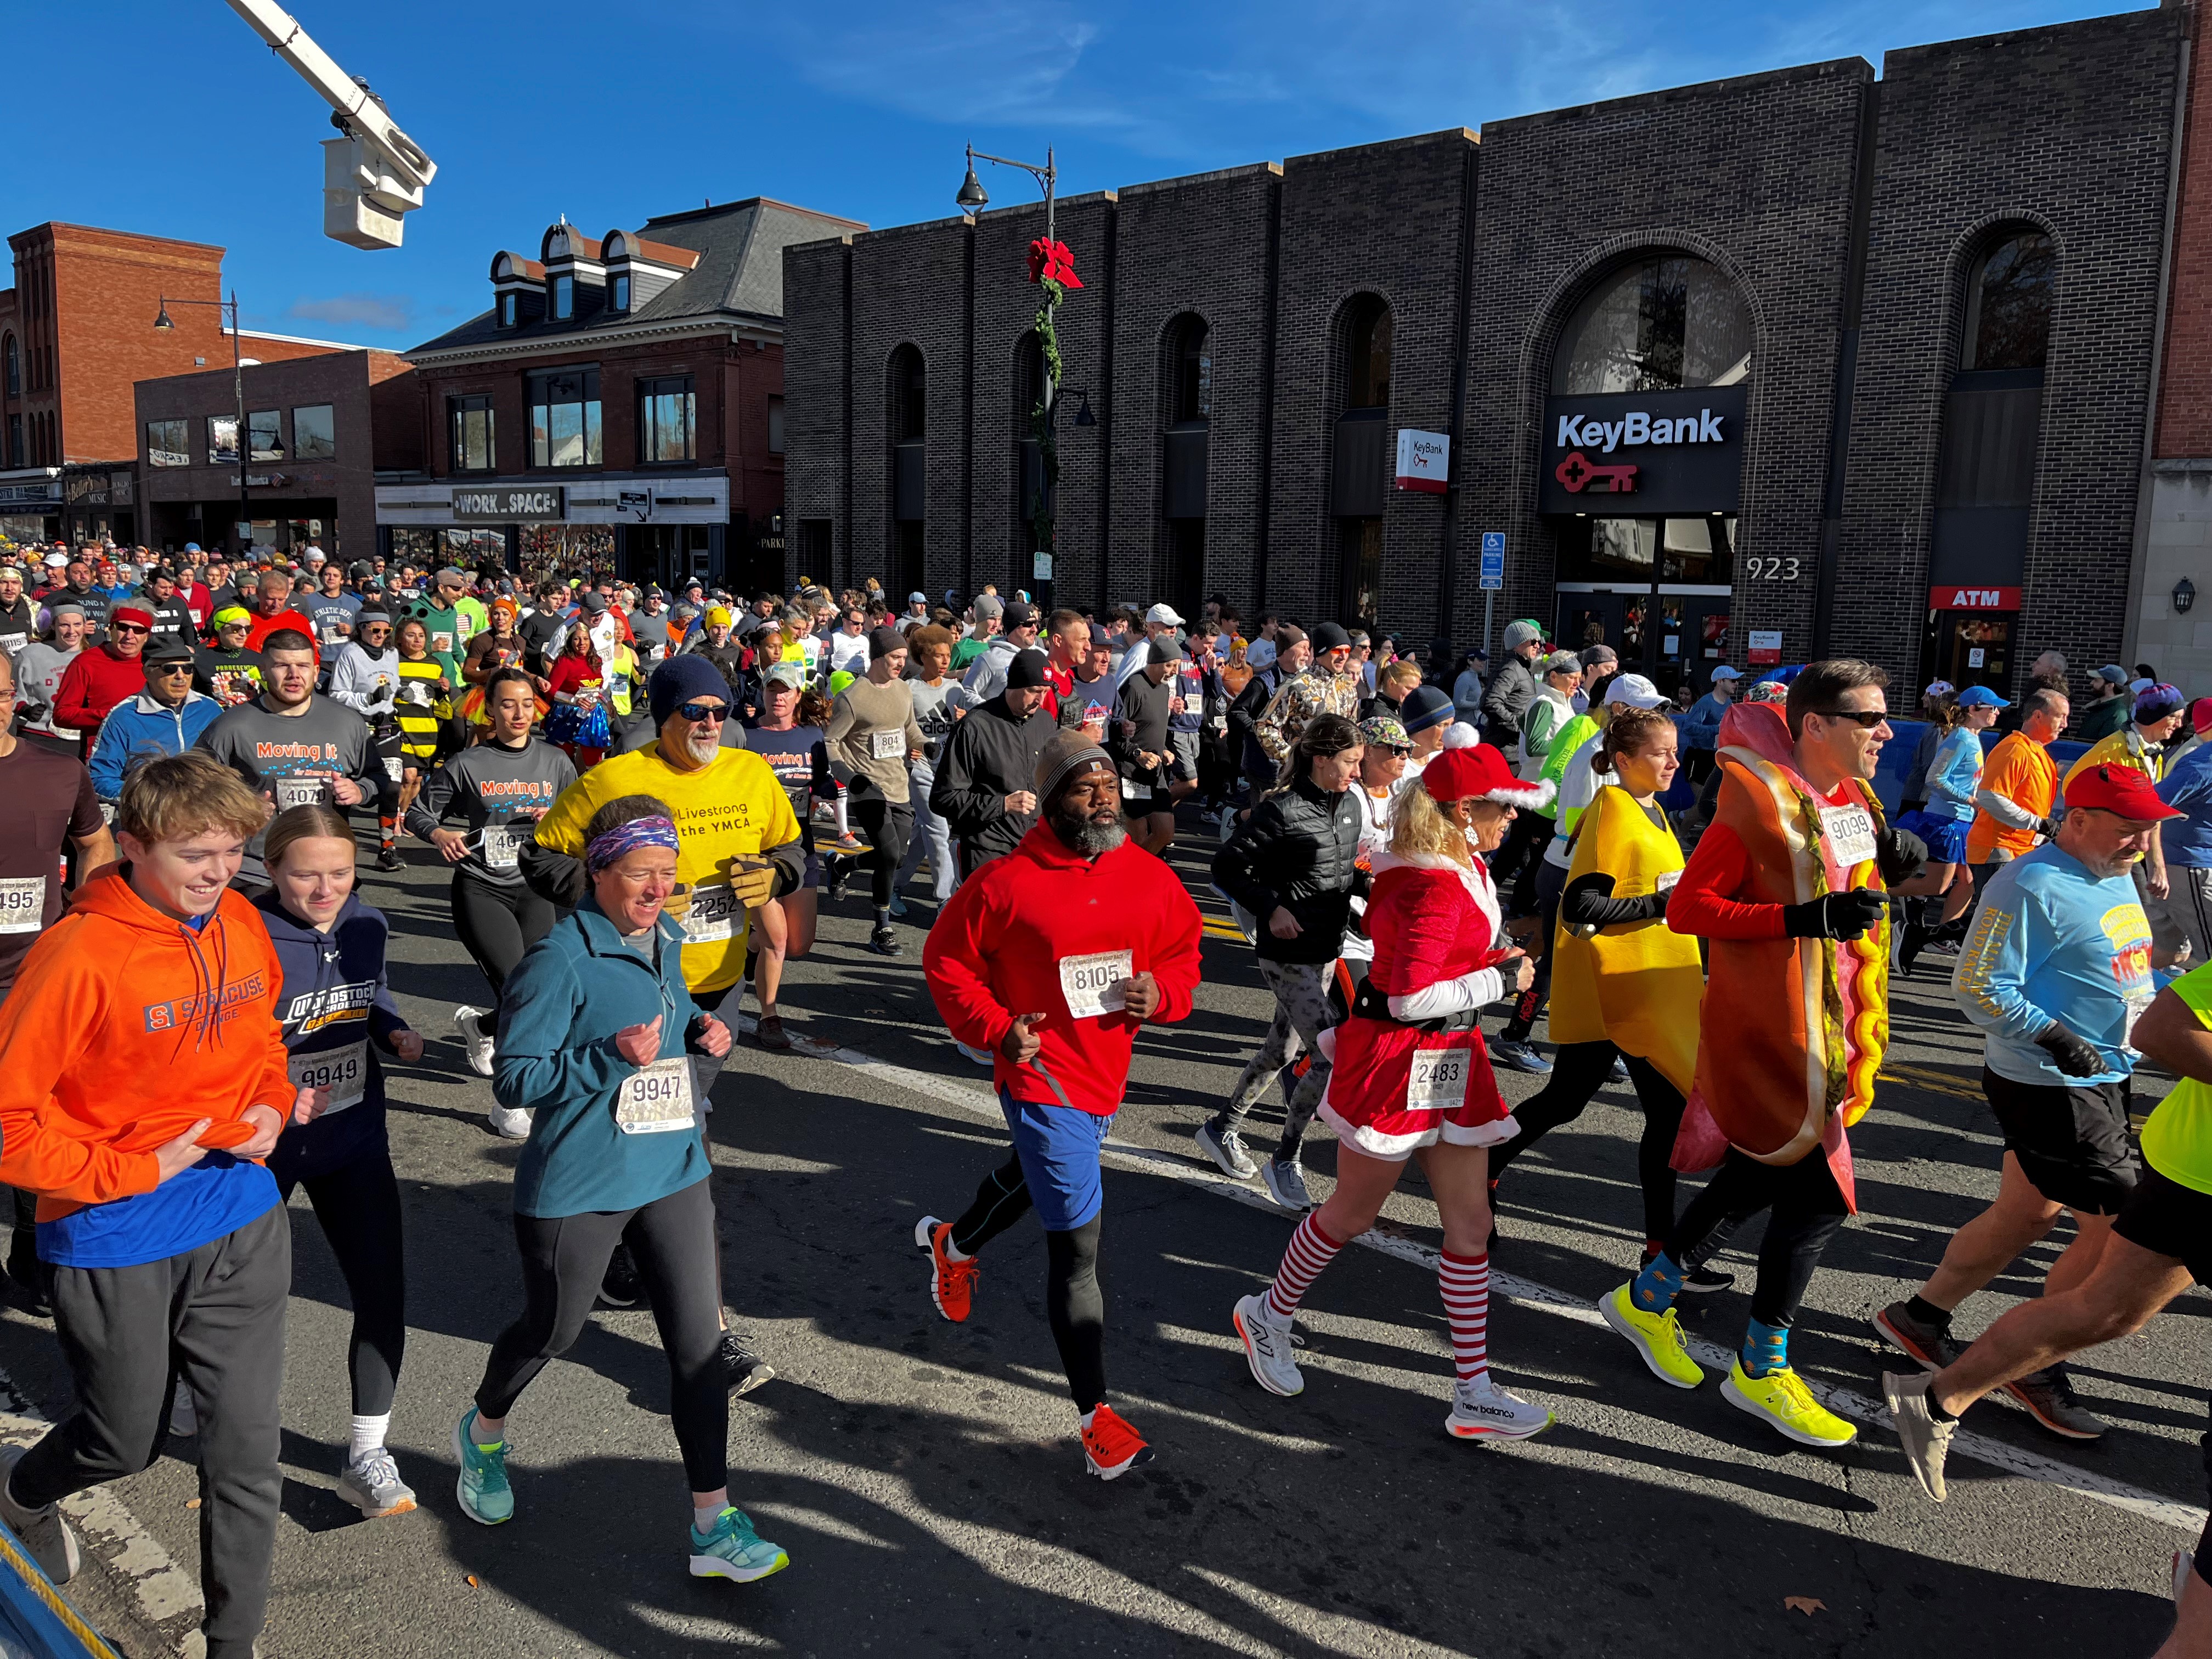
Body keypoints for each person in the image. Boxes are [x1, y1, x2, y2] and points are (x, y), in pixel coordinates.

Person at [0, 753, 317, 1659]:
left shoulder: (241, 917)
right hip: (113, 1232)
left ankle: (233, 1642)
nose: (217, 872)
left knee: (246, 1450)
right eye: (194, 855)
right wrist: (133, 1168)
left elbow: (262, 1033)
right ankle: (23, 1492)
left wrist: (268, 1097)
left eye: (230, 851)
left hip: (241, 1217)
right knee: (123, 1438)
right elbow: (9, 1123)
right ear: (130, 845)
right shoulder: (78, 951)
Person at [454, 795, 790, 1583]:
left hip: (673, 1169)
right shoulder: (558, 960)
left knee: (700, 1352)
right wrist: (606, 1056)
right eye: (643, 872)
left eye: (669, 874)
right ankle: (485, 1430)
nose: (659, 888)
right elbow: (516, 1078)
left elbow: (662, 1024)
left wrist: (702, 1030)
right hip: (583, 1182)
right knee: (555, 1332)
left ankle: (714, 1524)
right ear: (600, 871)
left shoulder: (666, 935)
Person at [1599, 662, 1922, 1449]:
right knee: (1817, 1197)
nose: (1886, 732)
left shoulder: (1852, 797)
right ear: (1817, 726)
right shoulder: (1754, 797)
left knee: (1761, 1173)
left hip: (1832, 1020)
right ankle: (1761, 1366)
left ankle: (1647, 1297)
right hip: (1777, 1027)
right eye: (1870, 718)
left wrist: (1890, 862)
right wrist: (1807, 917)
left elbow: (1851, 885)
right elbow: (1689, 908)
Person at [1229, 742, 1558, 1440]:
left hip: (1450, 1056)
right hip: (1400, 1057)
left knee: (1471, 1229)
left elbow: (1437, 963)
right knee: (1349, 1215)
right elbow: (1408, 996)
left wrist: (1497, 959)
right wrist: (1502, 982)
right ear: (1466, 812)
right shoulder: (1430, 881)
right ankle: (1268, 1313)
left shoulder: (1457, 863)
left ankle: (1473, 1390)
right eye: (1504, 808)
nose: (1513, 822)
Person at [917, 732, 1203, 1479]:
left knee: (1031, 1177)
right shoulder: (1005, 883)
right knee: (1078, 1248)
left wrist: (1163, 995)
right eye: (1084, 786)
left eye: (1108, 781)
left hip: (1106, 1072)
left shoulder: (1147, 875)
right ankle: (1096, 1416)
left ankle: (955, 1243)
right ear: (1051, 801)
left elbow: (1183, 952)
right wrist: (996, 1030)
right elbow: (947, 961)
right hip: (1041, 1076)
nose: (1103, 794)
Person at [1876, 761, 2173, 1441]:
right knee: (2116, 1238)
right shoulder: (2030, 883)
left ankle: (1919, 1317)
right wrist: (2059, 1039)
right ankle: (2035, 1362)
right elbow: (1976, 987)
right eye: (2129, 831)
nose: (2139, 844)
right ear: (2076, 821)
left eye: (2146, 833)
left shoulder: (2110, 870)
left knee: (2025, 1215)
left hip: (2105, 1075)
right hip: (2055, 1086)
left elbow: (2124, 962)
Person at [1884, 948, 2212, 1524]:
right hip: (2196, 1178)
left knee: (2046, 1236)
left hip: (2139, 1124)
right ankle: (1943, 1390)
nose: (2139, 849)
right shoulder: (2034, 880)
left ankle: (1937, 1352)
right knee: (2102, 1306)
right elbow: (2163, 1027)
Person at [1486, 707, 1730, 1290]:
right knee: (1665, 1117)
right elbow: (1583, 907)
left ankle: (1485, 1167)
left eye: (1675, 751)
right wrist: (1660, 908)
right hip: (1623, 991)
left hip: (1648, 985)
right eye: (1661, 753)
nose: (1675, 761)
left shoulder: (1657, 813)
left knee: (1566, 1099)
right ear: (1624, 760)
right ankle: (1661, 1255)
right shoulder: (1615, 810)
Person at [256, 805, 426, 1515]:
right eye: (307, 876)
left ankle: (368, 1453)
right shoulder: (246, 935)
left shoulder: (367, 922)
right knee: (241, 1301)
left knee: (383, 1290)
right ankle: (187, 1392)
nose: (326, 891)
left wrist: (394, 1029)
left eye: (341, 874)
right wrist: (270, 1092)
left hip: (354, 1134)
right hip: (265, 1146)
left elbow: (369, 995)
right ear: (270, 870)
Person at [1196, 714, 1365, 1207]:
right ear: (1322, 759)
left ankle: (1221, 1127)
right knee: (1330, 1051)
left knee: (1282, 1048)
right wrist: (1271, 908)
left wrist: (1371, 889)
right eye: (1351, 761)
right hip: (1287, 954)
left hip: (1327, 948)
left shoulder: (1350, 804)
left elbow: (1339, 873)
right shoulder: (1282, 811)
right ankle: (1285, 1159)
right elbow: (1226, 867)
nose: (1358, 770)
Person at [407, 668, 578, 1124]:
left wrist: (555, 815)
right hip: (482, 888)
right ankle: (511, 1100)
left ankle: (479, 1027)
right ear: (491, 709)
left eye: (526, 704)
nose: (519, 713)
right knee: (521, 992)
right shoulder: (468, 764)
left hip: (535, 889)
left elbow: (579, 819)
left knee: (536, 988)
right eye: (507, 704)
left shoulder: (557, 761)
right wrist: (440, 833)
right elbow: (418, 814)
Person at [195, 630, 377, 883]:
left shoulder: (348, 722)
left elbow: (378, 777)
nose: (294, 675)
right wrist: (240, 808)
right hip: (256, 869)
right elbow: (192, 790)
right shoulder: (231, 726)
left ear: (315, 671)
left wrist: (361, 790)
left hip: (327, 867)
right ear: (263, 670)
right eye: (282, 665)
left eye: (303, 666)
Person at [737, 664, 833, 1052]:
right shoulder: (744, 736)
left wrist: (833, 789)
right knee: (778, 940)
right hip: (757, 852)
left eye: (785, 691)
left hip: (800, 845)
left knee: (797, 946)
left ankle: (748, 946)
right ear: (762, 694)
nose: (778, 697)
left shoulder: (812, 736)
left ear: (797, 696)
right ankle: (769, 1016)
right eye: (771, 690)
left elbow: (823, 778)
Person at [2064, 681, 2188, 963]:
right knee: (2120, 924)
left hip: (2129, 856)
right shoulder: (2112, 751)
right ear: (2157, 717)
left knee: (2131, 925)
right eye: (2175, 717)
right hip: (2104, 855)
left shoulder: (2150, 753)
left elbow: (2151, 815)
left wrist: (2158, 865)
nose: (2180, 725)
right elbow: (2072, 790)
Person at [825, 626, 924, 955]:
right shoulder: (853, 697)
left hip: (899, 783)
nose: (901, 664)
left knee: (897, 858)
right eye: (896, 658)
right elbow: (831, 742)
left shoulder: (903, 691)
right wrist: (848, 776)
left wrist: (927, 746)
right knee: (890, 852)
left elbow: (909, 729)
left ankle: (841, 867)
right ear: (878, 658)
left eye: (903, 658)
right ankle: (881, 928)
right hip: (867, 787)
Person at [1893, 685, 2006, 973]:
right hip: (1947, 822)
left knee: (1967, 883)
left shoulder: (1971, 738)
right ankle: (1873, 889)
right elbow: (1935, 778)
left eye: (1996, 708)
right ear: (1973, 710)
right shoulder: (1960, 739)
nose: (1996, 712)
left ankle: (1940, 936)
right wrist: (1971, 799)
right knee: (1938, 885)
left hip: (1961, 821)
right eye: (1991, 707)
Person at [932, 647, 1058, 887]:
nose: (1041, 700)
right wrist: (1003, 805)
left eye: (1046, 692)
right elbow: (943, 797)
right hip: (988, 848)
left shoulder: (1045, 722)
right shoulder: (975, 726)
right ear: (1014, 684)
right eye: (1034, 691)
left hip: (1035, 846)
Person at [86, 635, 220, 804]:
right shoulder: (124, 716)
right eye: (170, 669)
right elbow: (99, 778)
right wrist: (152, 798)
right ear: (148, 672)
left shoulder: (211, 709)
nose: (181, 676)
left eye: (188, 668)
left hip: (206, 813)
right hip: (151, 818)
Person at [894, 623, 970, 915]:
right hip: (921, 768)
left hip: (950, 770)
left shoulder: (957, 690)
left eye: (948, 655)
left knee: (924, 834)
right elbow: (897, 726)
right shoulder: (908, 689)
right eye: (938, 656)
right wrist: (907, 747)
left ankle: (894, 885)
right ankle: (946, 900)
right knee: (939, 830)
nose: (945, 661)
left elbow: (975, 723)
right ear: (923, 657)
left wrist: (966, 718)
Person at [1967, 686, 2067, 896]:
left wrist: (2041, 833)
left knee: (2001, 921)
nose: (2065, 725)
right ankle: (1912, 931)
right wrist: (2038, 824)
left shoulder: (2037, 752)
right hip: (1999, 851)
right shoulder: (2015, 749)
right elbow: (1990, 797)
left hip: (2017, 852)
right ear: (2038, 716)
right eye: (2061, 717)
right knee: (1996, 922)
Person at [1111, 635, 1182, 856]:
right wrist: (1138, 754)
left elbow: (1154, 726)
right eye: (1170, 665)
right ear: (1154, 662)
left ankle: (1144, 871)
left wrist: (1165, 749)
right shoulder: (1134, 686)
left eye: (1177, 666)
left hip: (1156, 769)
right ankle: (1136, 879)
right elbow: (1116, 732)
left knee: (1165, 831)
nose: (1174, 672)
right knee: (1138, 836)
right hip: (1132, 771)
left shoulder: (1163, 689)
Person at [52, 602, 154, 741]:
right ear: (110, 629)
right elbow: (62, 715)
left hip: (151, 752)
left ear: (147, 636)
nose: (129, 636)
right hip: (104, 754)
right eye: (123, 628)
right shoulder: (85, 662)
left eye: (138, 630)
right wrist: (112, 716)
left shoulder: (156, 664)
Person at [2158, 711, 2212, 972]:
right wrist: (2156, 864)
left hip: (2195, 867)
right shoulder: (2202, 765)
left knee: (2170, 953)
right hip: (2190, 867)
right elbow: (2152, 805)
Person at [391, 616, 454, 822]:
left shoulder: (434, 664)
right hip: (401, 726)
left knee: (418, 779)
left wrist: (444, 690)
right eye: (411, 635)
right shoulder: (392, 661)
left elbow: (438, 701)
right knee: (407, 776)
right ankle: (393, 817)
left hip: (426, 728)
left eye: (421, 636)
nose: (417, 640)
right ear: (400, 639)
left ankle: (406, 816)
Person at [195, 607, 265, 707]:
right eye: (236, 629)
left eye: (248, 629)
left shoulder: (259, 659)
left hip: (253, 717)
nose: (243, 634)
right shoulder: (201, 661)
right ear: (219, 628)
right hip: (218, 719)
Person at [2077, 663, 2134, 742]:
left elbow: (2107, 748)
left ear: (2110, 686)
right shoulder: (2100, 708)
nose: (2092, 683)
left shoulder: (2118, 714)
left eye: (2096, 680)